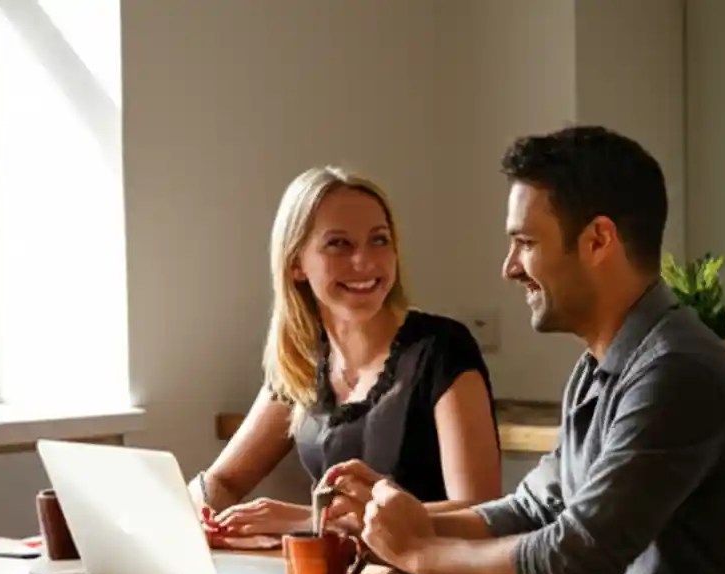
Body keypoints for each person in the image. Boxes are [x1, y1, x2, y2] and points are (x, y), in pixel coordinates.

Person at [324, 126, 725, 574]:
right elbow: (534, 511)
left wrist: (417, 550)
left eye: (526, 242)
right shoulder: (598, 367)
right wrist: (389, 524)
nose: (509, 267)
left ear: (598, 240)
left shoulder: (676, 372)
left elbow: (574, 561)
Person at [189, 166, 503, 547]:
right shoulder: (304, 360)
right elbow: (223, 481)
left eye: (379, 240)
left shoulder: (442, 349)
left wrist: (310, 520)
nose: (366, 262)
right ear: (296, 264)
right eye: (339, 244)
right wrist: (195, 520)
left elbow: (482, 510)